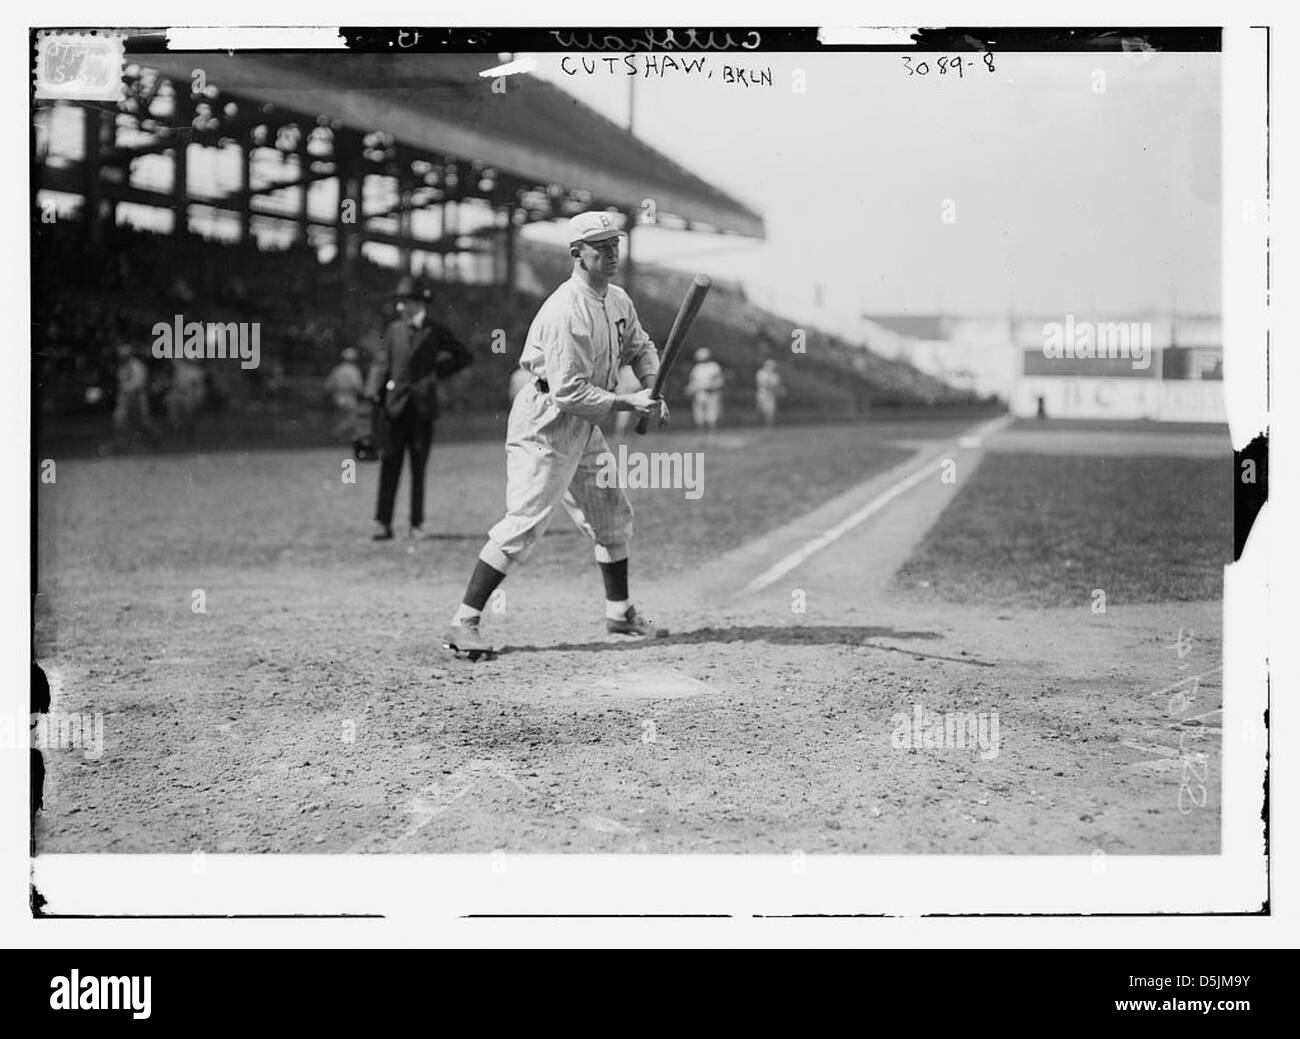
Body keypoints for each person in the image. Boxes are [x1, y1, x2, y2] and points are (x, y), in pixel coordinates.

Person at [442, 211, 669, 656]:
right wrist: (629, 403)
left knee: (611, 513)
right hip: (546, 420)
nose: (610, 253)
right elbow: (568, 392)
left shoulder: (619, 299)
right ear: (576, 254)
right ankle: (463, 621)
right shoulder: (566, 310)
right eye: (599, 247)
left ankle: (619, 612)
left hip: (584, 423)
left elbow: (641, 346)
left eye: (614, 245)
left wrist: (650, 382)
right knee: (525, 520)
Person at [366, 276, 472, 541]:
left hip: (422, 409)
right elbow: (384, 364)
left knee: (417, 469)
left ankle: (416, 524)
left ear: (419, 303)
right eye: (400, 303)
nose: (402, 308)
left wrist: (435, 372)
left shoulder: (435, 330)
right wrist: (375, 397)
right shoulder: (394, 330)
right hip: (394, 408)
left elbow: (464, 355)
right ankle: (383, 523)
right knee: (389, 466)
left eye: (407, 302)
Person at [112, 343, 154, 449]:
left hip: (137, 397)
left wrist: (126, 391)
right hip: (125, 398)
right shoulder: (122, 366)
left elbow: (138, 383)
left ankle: (152, 442)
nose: (122, 357)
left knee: (142, 422)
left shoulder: (136, 365)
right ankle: (125, 444)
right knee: (120, 420)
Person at [324, 347, 365, 439]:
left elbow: (327, 385)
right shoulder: (354, 370)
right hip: (349, 397)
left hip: (337, 396)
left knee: (340, 418)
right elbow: (358, 386)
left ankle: (338, 436)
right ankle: (336, 433)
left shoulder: (337, 369)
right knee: (354, 417)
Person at [686, 346, 725, 441]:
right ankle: (701, 437)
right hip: (699, 394)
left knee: (712, 416)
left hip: (712, 394)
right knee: (699, 416)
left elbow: (720, 381)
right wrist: (690, 389)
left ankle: (712, 436)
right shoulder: (697, 368)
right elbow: (693, 382)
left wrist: (713, 387)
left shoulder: (714, 366)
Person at [755, 358, 784, 429]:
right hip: (763, 394)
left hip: (771, 395)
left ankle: (769, 426)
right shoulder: (761, 373)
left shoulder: (774, 375)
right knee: (762, 410)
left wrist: (779, 391)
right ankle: (760, 425)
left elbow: (778, 385)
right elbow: (763, 384)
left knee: (771, 411)